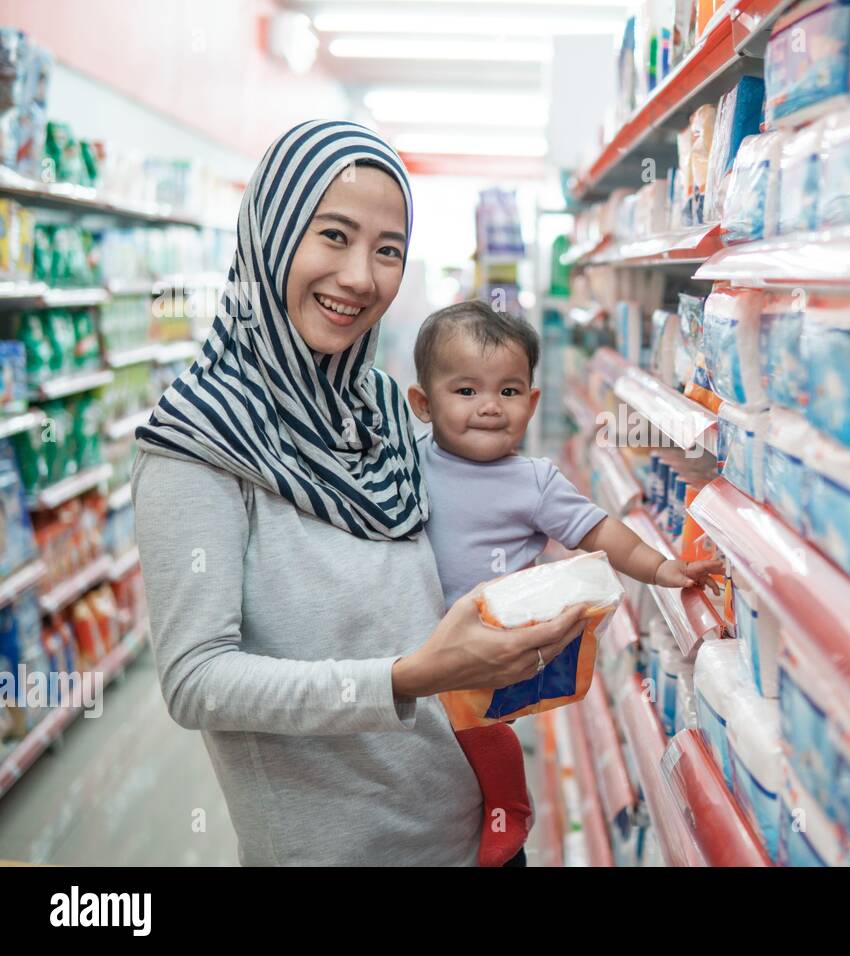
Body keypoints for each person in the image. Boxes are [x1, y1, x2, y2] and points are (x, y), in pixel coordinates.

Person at [130, 120, 584, 866]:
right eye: (333, 235)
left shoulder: (379, 402)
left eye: (388, 249)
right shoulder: (197, 440)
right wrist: (406, 678)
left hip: (475, 835)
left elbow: (427, 585)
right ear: (270, 232)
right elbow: (196, 682)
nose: (361, 277)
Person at [406, 299, 723, 866]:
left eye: (507, 392)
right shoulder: (406, 464)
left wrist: (660, 567)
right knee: (429, 736)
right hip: (412, 637)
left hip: (488, 644)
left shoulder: (535, 482)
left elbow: (602, 533)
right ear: (423, 404)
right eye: (465, 391)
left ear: (531, 403)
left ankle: (509, 808)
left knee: (481, 728)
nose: (488, 408)